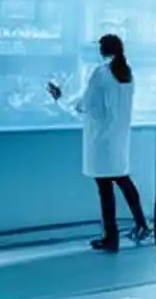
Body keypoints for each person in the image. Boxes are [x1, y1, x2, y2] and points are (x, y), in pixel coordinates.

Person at [47, 34, 150, 252]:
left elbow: (85, 105)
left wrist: (60, 98)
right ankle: (141, 224)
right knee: (123, 180)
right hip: (118, 139)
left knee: (105, 189)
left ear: (103, 49)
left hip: (101, 141)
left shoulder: (101, 73)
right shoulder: (127, 73)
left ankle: (110, 238)